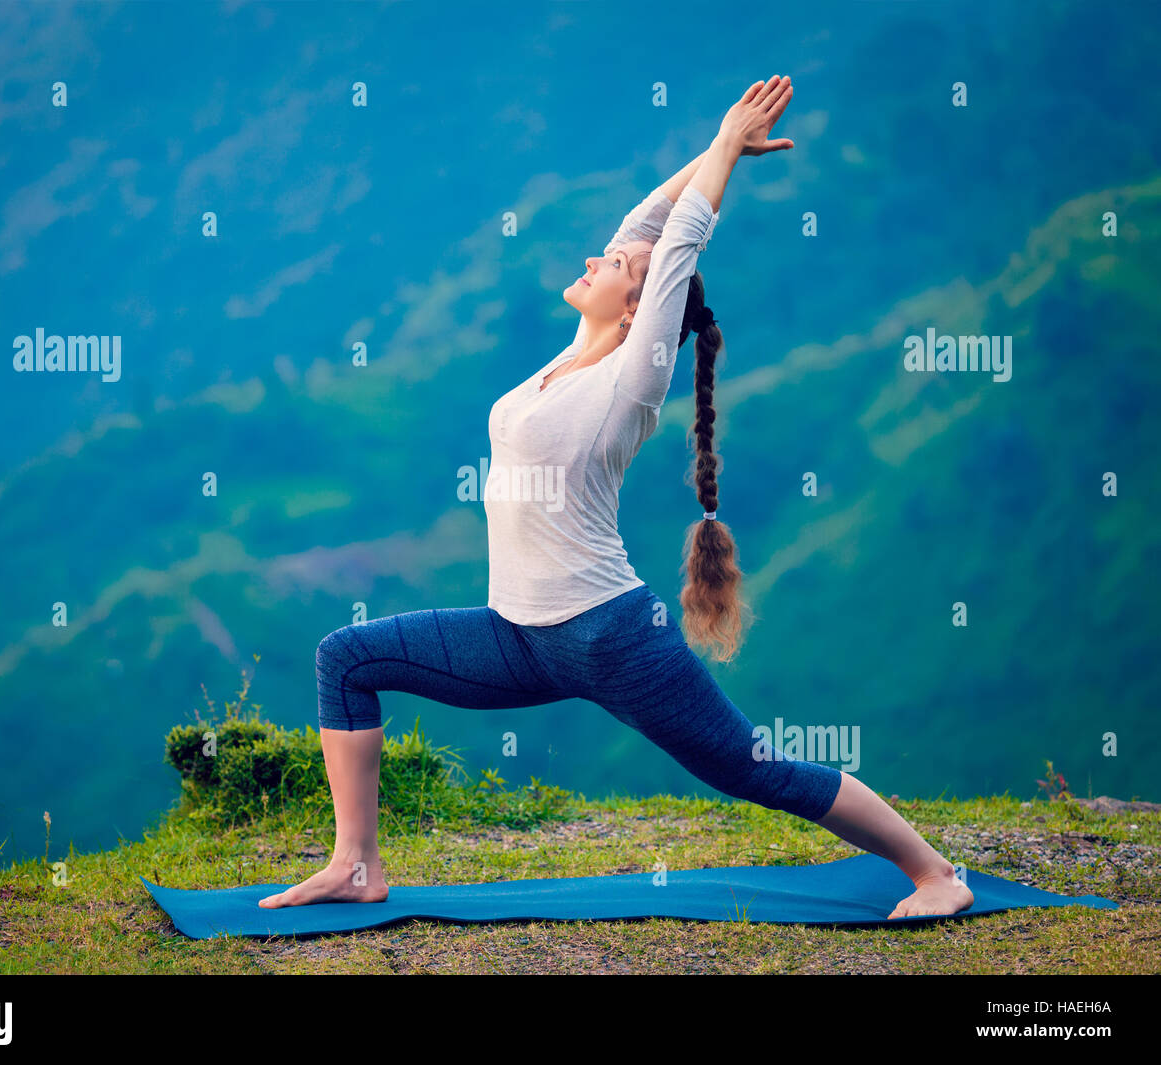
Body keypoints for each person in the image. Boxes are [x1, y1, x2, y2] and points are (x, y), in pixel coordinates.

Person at [261, 76, 973, 921]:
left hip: (608, 636)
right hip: (515, 634)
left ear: (641, 306)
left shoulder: (631, 379)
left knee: (754, 767)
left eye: (616, 267)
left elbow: (672, 247)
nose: (597, 257)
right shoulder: (573, 353)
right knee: (346, 657)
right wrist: (715, 155)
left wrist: (722, 150)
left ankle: (936, 874)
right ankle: (355, 865)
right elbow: (647, 224)